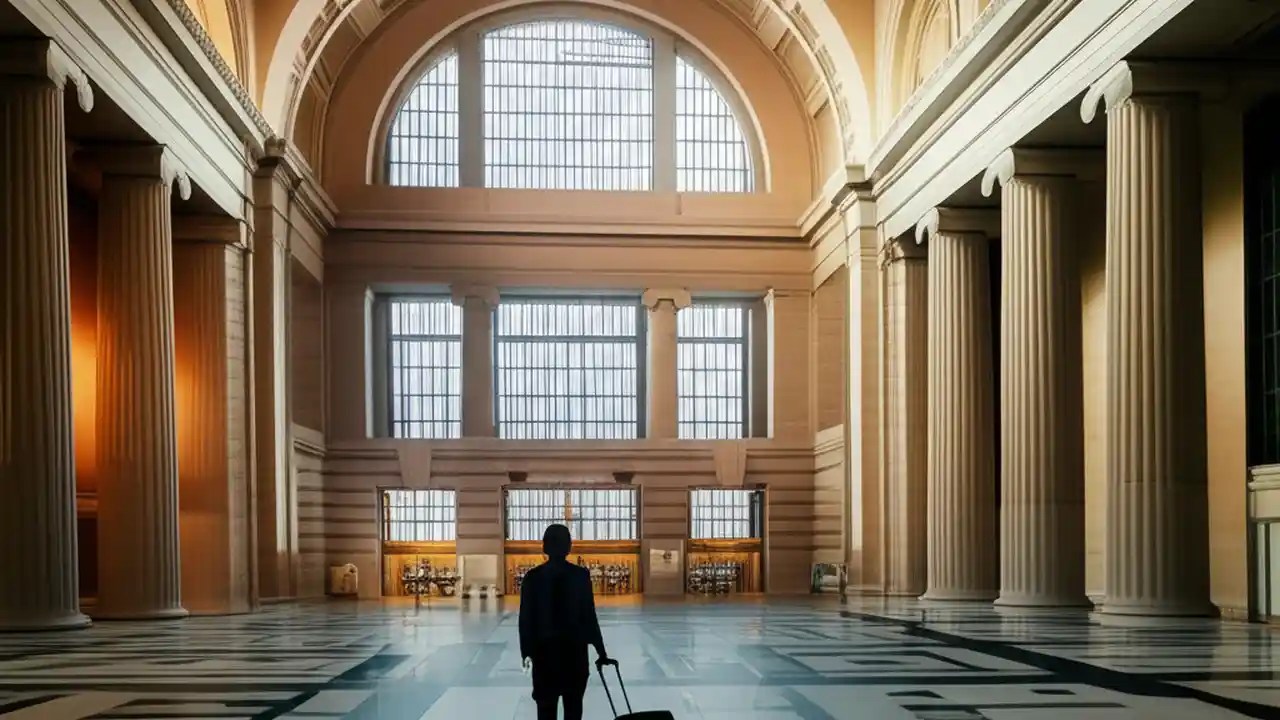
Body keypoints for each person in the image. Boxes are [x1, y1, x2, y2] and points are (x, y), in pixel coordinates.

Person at [519, 524, 610, 720]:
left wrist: (526, 652)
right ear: (569, 546)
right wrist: (601, 652)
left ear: (544, 547)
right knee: (574, 709)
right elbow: (589, 618)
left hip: (544, 657)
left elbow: (525, 620)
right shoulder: (580, 576)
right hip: (574, 656)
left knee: (545, 711)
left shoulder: (532, 578)